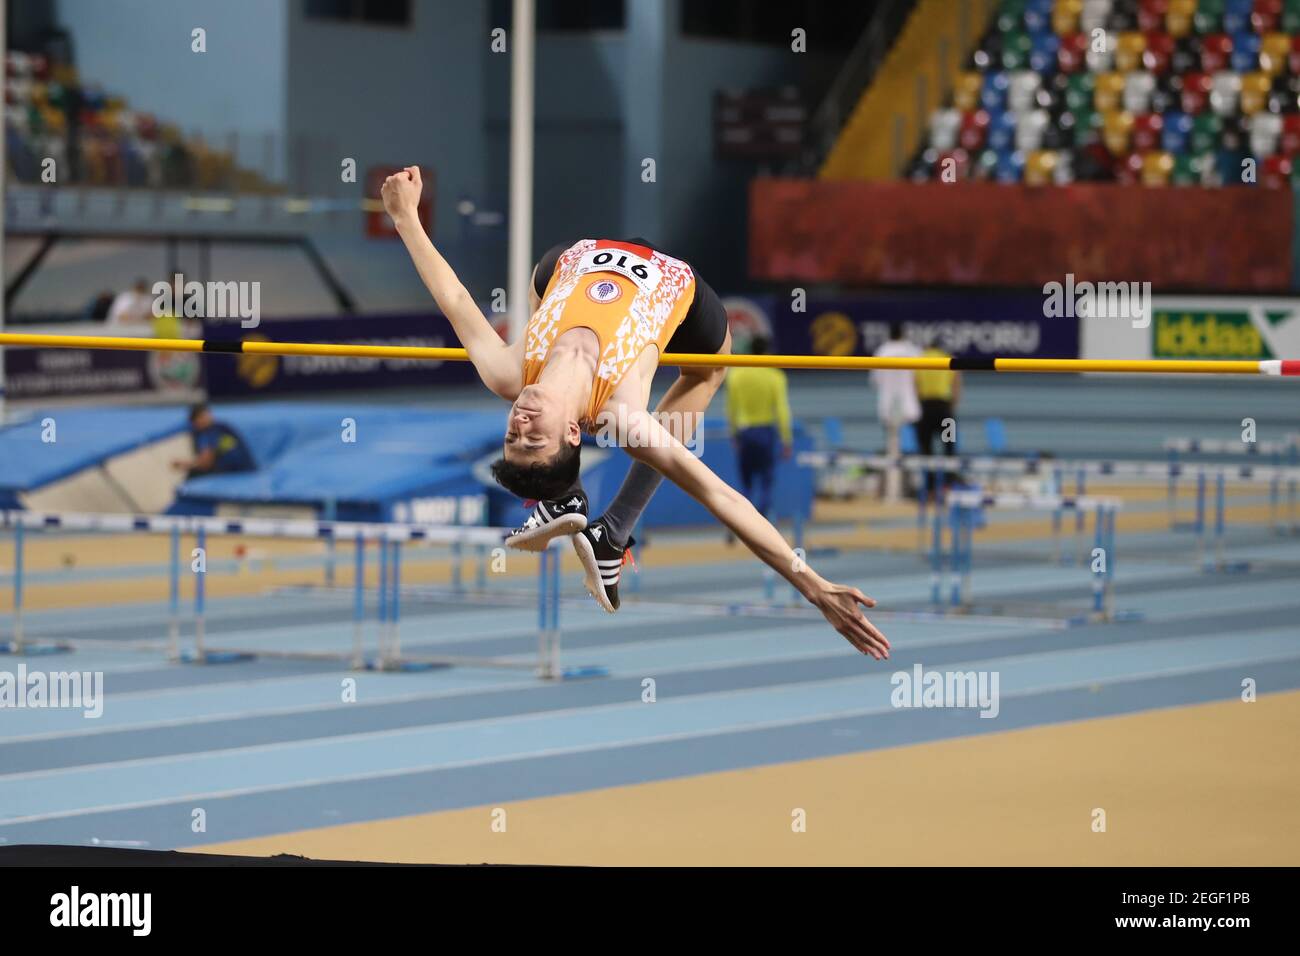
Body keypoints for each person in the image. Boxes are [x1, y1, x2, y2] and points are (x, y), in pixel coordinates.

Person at [381, 167, 887, 659]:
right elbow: (722, 496)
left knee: (541, 290)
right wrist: (813, 585)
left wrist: (406, 218)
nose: (520, 424)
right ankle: (613, 530)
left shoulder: (506, 374)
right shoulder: (625, 415)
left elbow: (454, 297)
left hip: (570, 262)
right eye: (533, 439)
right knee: (708, 373)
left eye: (512, 436)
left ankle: (572, 508)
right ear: (575, 434)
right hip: (675, 287)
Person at [725, 335, 792, 523]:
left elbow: (731, 408)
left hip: (745, 433)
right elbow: (782, 409)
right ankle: (758, 525)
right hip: (766, 433)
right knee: (766, 484)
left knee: (745, 486)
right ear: (767, 352)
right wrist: (787, 439)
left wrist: (733, 435)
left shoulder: (736, 375)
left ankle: (740, 524)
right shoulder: (775, 376)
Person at [870, 322, 921, 500]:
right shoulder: (913, 351)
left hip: (888, 406)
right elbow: (919, 379)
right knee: (908, 448)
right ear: (903, 334)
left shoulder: (882, 351)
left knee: (893, 447)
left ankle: (896, 489)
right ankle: (902, 488)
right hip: (909, 406)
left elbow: (875, 381)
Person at [914, 345, 962, 493]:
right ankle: (948, 484)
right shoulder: (948, 358)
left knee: (926, 449)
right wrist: (952, 407)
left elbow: (915, 385)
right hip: (944, 409)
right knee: (949, 447)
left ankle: (929, 487)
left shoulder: (919, 359)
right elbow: (956, 385)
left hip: (925, 409)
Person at [172, 404, 256, 479]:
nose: (208, 417)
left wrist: (183, 464)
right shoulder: (222, 427)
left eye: (206, 416)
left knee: (194, 475)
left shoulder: (209, 432)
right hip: (248, 471)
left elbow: (206, 463)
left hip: (234, 473)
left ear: (195, 421)